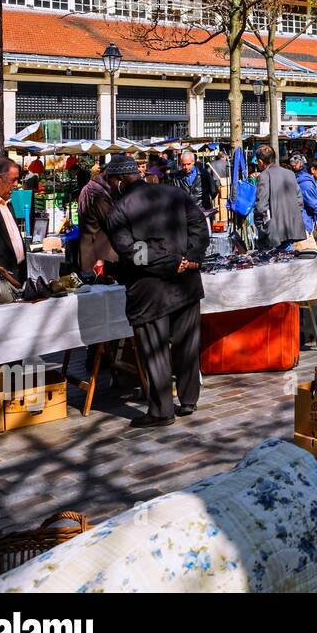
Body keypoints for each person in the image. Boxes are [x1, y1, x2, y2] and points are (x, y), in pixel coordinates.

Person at [102, 154, 210, 428]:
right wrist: (188, 257)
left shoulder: (119, 210)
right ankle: (188, 400)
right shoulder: (173, 192)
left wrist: (179, 259)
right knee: (187, 343)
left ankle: (162, 410)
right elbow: (199, 225)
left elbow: (133, 254)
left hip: (150, 291)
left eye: (110, 181)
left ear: (118, 181)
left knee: (155, 350)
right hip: (184, 281)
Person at [253, 145, 306, 249]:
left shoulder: (264, 176)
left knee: (274, 262)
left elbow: (261, 207)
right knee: (288, 261)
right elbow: (299, 200)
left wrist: (260, 226)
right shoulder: (290, 173)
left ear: (260, 161)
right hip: (291, 228)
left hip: (274, 232)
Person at [75, 163, 118, 273]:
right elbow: (109, 220)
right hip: (98, 252)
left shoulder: (89, 188)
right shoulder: (98, 191)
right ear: (105, 174)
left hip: (90, 247)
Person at [170, 149, 217, 214]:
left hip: (203, 210)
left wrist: (206, 201)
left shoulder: (204, 174)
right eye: (183, 164)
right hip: (186, 212)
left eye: (188, 164)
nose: (186, 167)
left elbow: (213, 190)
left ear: (193, 162)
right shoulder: (177, 177)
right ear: (180, 163)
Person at [291, 153, 317, 240]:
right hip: (303, 225)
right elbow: (315, 206)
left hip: (303, 224)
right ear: (313, 169)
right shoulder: (306, 184)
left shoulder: (306, 181)